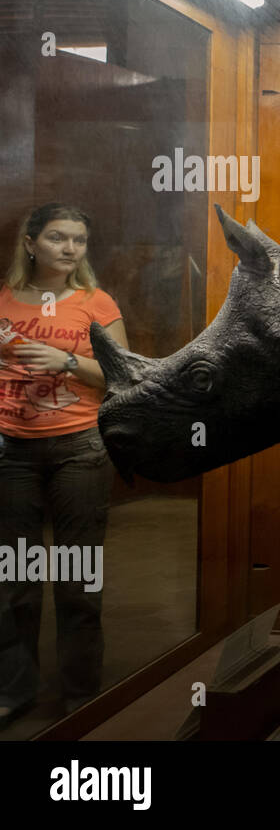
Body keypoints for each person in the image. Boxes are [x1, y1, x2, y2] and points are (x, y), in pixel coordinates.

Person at [0, 203, 127, 729]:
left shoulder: (95, 302)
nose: (70, 248)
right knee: (13, 581)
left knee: (77, 579)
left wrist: (68, 362)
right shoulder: (3, 301)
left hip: (80, 447)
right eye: (57, 237)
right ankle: (13, 692)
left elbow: (126, 374)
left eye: (78, 239)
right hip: (12, 454)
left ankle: (80, 696)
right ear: (30, 243)